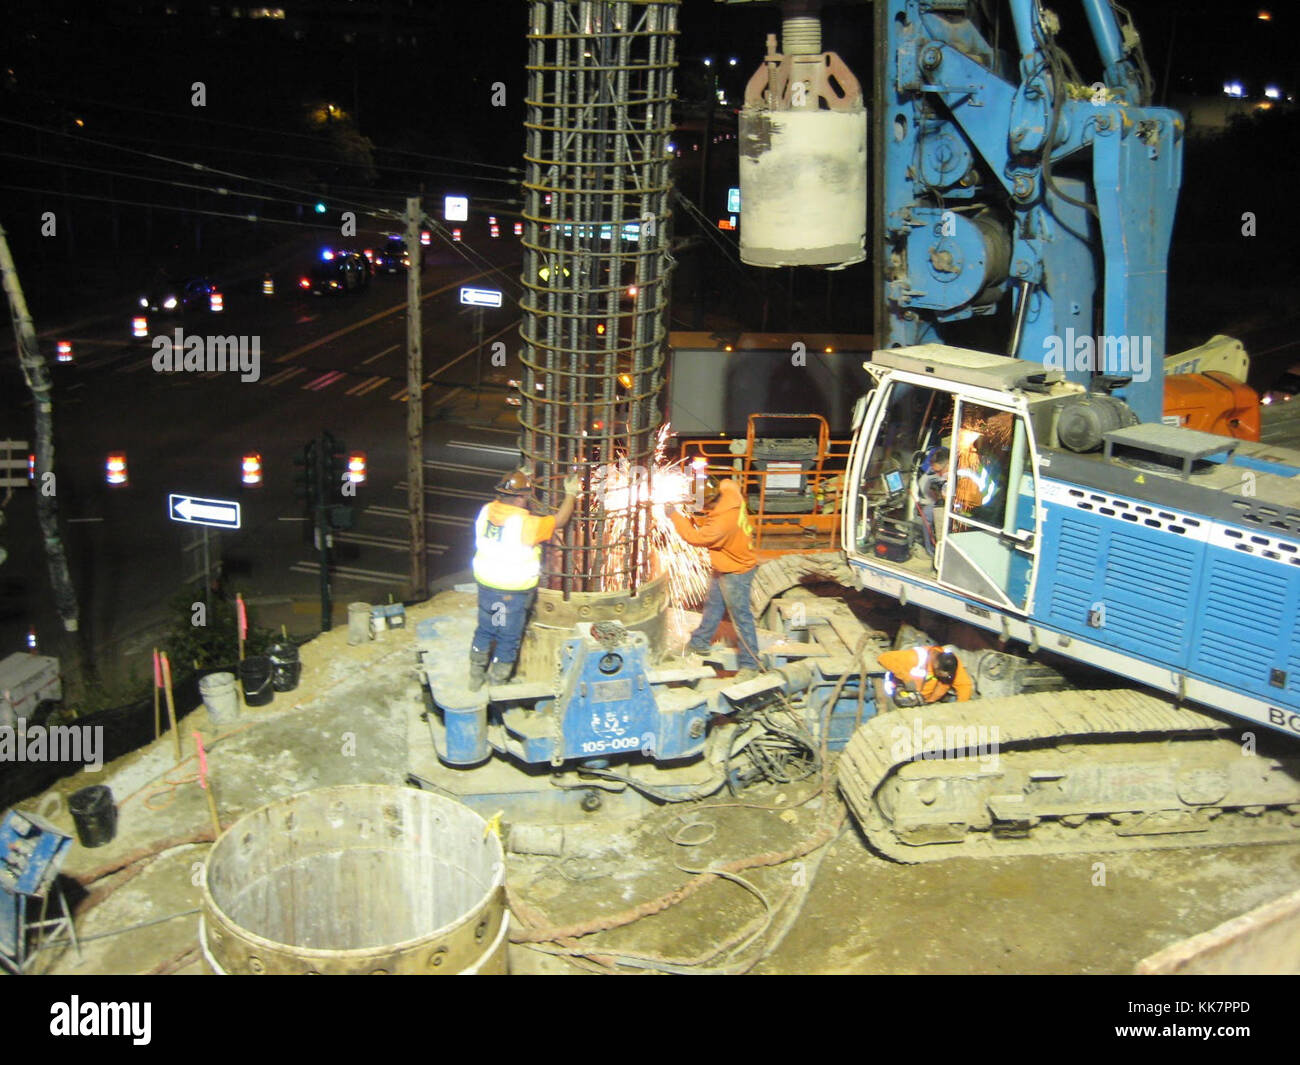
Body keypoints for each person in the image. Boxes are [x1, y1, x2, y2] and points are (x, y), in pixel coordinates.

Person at [469, 469, 579, 690]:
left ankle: (475, 677)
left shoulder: (486, 511)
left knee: (486, 629)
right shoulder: (525, 524)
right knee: (507, 637)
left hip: (486, 586)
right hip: (511, 592)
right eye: (526, 495)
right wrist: (570, 494)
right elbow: (560, 520)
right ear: (520, 497)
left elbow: (504, 499)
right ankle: (497, 683)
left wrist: (519, 477)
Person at [661, 475, 761, 681]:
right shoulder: (729, 489)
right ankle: (699, 643)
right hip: (725, 564)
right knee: (714, 605)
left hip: (736, 571)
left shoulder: (720, 524)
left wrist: (674, 516)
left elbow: (695, 537)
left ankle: (751, 665)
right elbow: (721, 484)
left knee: (741, 617)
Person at [877, 644, 973, 708]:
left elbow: (964, 686)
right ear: (935, 665)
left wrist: (959, 710)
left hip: (927, 704)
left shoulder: (951, 663)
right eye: (942, 675)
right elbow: (883, 658)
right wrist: (907, 679)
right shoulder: (915, 658)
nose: (945, 678)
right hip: (899, 700)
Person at [916, 446, 950, 555]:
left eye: (939, 471)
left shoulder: (962, 475)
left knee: (927, 513)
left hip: (964, 513)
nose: (939, 475)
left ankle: (933, 552)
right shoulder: (945, 473)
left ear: (949, 463)